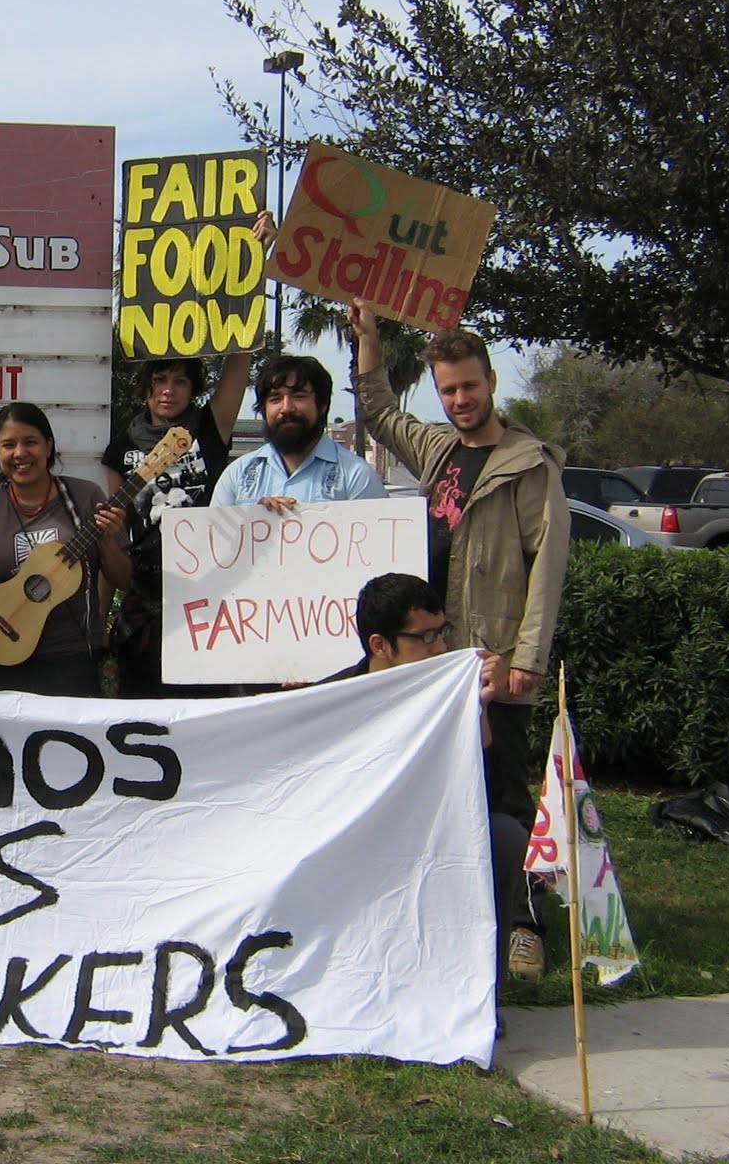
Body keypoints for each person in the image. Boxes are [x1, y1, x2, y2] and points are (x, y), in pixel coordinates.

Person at [350, 299, 570, 980]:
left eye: (469, 386)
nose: (459, 400)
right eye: (447, 390)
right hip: (432, 664)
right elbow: (380, 410)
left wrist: (527, 658)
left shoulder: (529, 466)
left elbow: (548, 567)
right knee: (444, 799)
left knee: (504, 799)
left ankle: (524, 927)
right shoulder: (440, 448)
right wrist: (366, 338)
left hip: (494, 663)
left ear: (491, 382)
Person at [327, 573, 521, 1008]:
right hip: (356, 841)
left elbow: (488, 797)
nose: (439, 648)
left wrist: (480, 711)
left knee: (506, 838)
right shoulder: (335, 697)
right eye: (425, 637)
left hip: (434, 837)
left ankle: (480, 994)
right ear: (380, 645)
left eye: (442, 632)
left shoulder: (458, 692)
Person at [0, 402, 131, 697]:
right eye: (8, 445)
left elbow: (123, 579)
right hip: (2, 647)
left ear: (48, 445)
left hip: (74, 656)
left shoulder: (86, 498)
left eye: (30, 442)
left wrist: (107, 540)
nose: (20, 453)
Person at [101, 349, 251, 695]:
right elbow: (115, 538)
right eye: (160, 379)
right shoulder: (120, 448)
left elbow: (239, 361)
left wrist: (240, 307)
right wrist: (100, 621)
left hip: (206, 597)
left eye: (180, 381)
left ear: (193, 388)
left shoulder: (209, 428)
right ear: (146, 386)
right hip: (145, 602)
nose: (169, 390)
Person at [210, 352, 388, 512]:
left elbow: (375, 543)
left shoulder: (357, 476)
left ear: (322, 405)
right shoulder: (237, 474)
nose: (286, 408)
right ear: (263, 409)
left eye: (299, 396)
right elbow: (217, 539)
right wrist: (255, 522)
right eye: (275, 398)